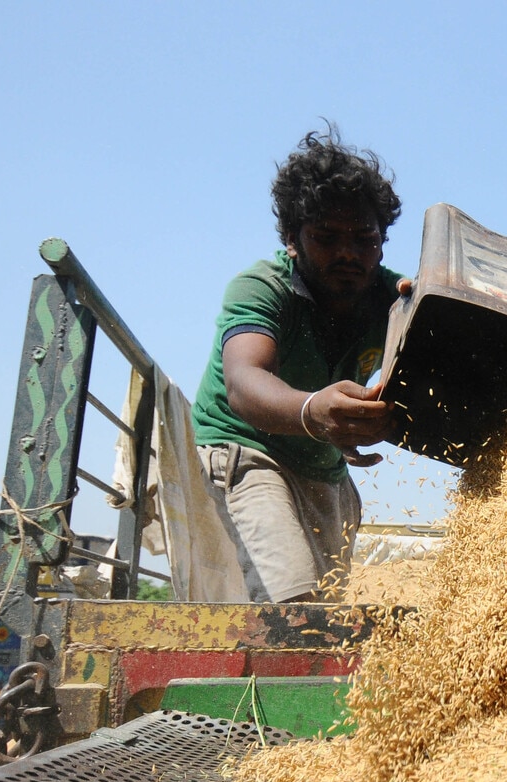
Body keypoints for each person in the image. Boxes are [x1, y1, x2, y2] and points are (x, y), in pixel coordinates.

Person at [192, 124, 410, 602]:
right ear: (293, 239)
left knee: (329, 617)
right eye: (326, 237)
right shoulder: (262, 287)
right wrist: (316, 411)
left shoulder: (392, 298)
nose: (348, 253)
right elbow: (244, 380)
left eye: (364, 238)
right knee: (296, 606)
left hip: (324, 467)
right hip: (249, 450)